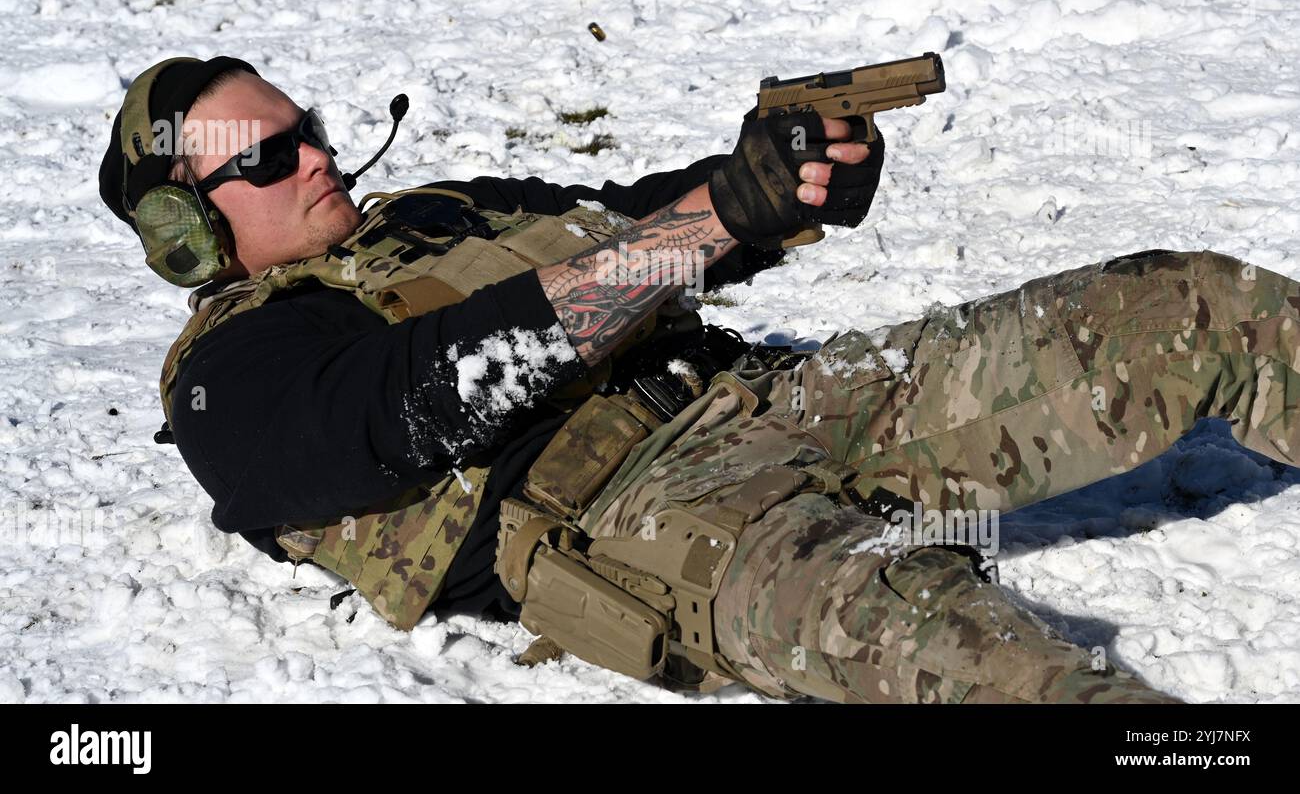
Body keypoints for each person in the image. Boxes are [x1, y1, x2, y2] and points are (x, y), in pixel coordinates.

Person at [100, 56, 1300, 704]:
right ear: (186, 227)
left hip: (772, 397)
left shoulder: (435, 214)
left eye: (304, 123)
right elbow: (432, 392)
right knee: (985, 660)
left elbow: (623, 223)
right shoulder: (229, 374)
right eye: (269, 155)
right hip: (650, 528)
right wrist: (701, 227)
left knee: (1188, 306)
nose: (316, 153)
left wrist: (770, 184)